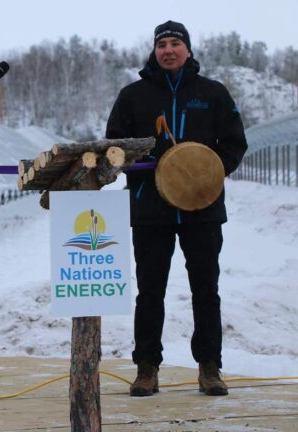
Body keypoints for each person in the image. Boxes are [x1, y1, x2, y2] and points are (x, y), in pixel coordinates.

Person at [106, 21, 248, 397]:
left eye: (175, 43)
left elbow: (235, 143)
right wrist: (141, 169)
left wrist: (208, 174)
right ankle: (147, 368)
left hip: (202, 210)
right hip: (150, 209)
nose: (168, 50)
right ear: (154, 51)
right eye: (162, 44)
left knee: (206, 289)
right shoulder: (133, 96)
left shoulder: (212, 93)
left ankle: (209, 367)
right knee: (150, 290)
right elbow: (114, 147)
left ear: (188, 50)